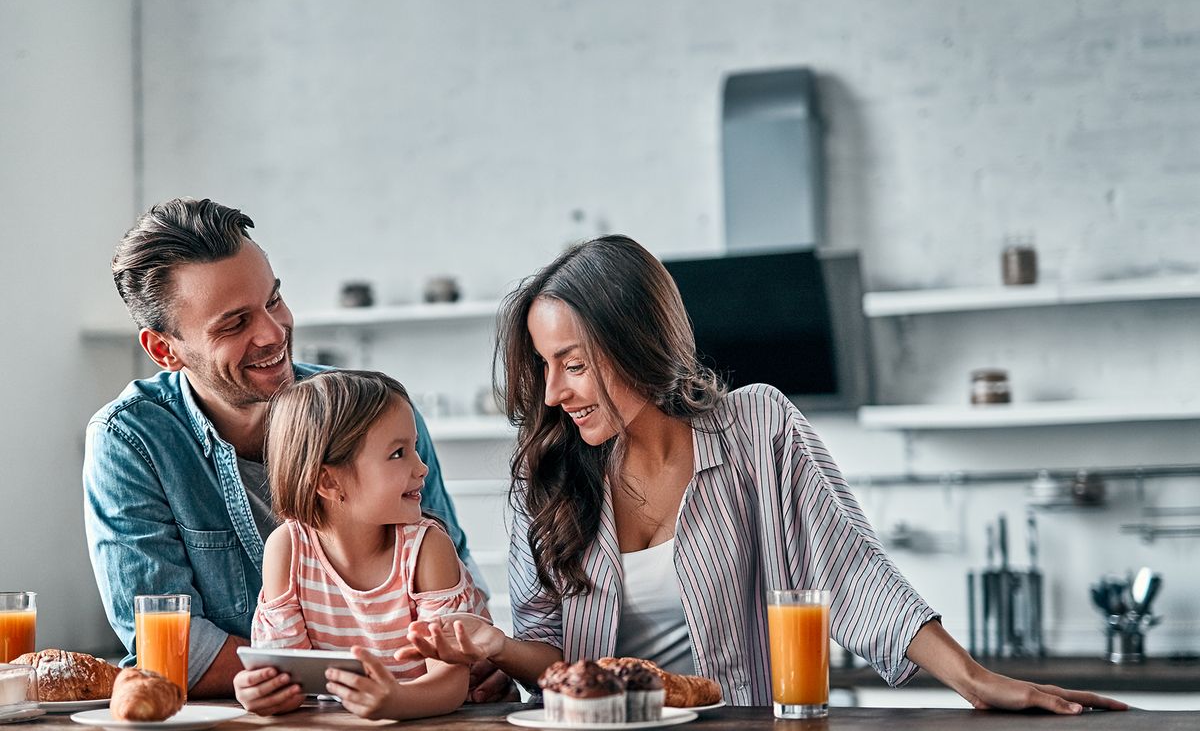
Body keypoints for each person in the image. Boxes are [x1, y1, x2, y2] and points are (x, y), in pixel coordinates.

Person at [400, 234, 1127, 714]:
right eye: (546, 366)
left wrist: (974, 679)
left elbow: (851, 567)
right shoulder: (548, 477)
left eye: (576, 363)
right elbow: (551, 657)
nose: (555, 392)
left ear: (637, 342)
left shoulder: (756, 427)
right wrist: (496, 646)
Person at [83, 198, 480, 698]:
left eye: (273, 300)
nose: (273, 334)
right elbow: (170, 648)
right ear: (165, 349)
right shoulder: (131, 441)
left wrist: (462, 663)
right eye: (233, 324)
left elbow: (454, 592)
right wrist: (391, 679)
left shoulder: (371, 414)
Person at [233, 370, 489, 720]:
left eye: (414, 448)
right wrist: (261, 691)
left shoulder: (427, 549)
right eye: (398, 453)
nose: (422, 467)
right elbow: (288, 679)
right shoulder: (287, 550)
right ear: (327, 480)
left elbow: (450, 684)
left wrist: (395, 702)